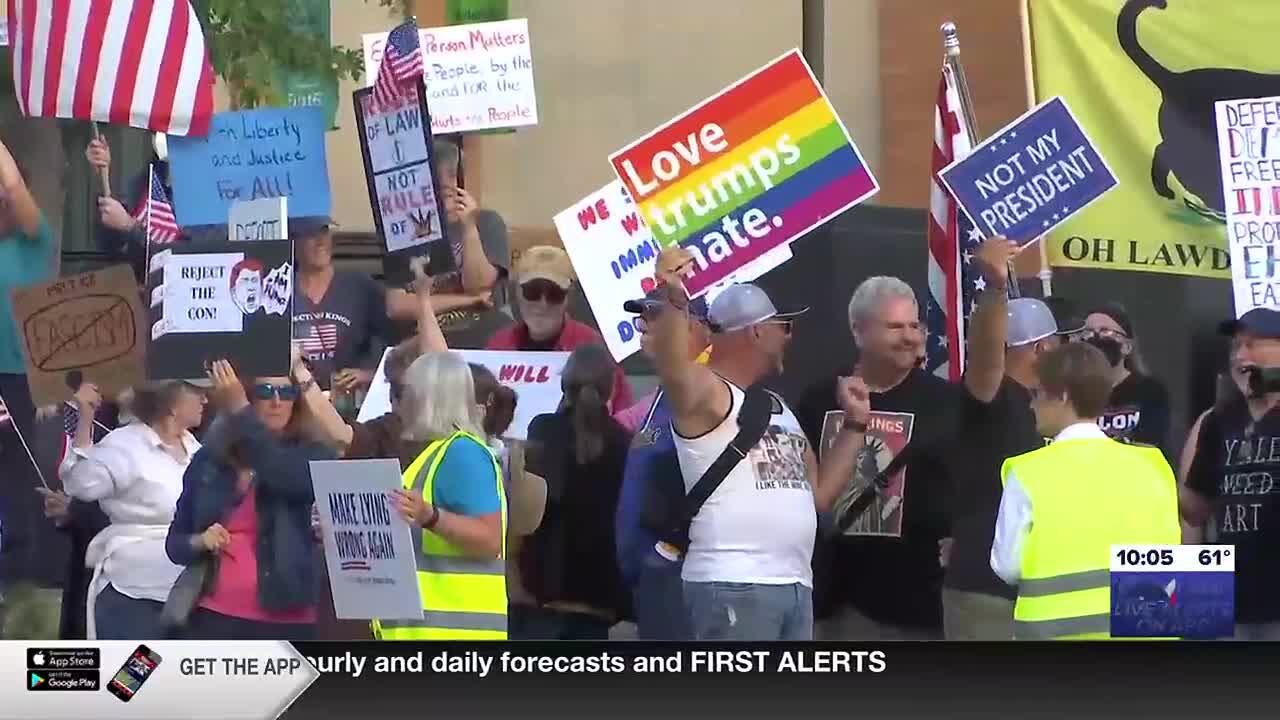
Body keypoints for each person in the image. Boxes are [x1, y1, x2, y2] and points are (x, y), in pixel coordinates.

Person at [647, 247, 854, 641]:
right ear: (757, 331)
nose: (790, 337)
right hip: (732, 585)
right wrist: (673, 296)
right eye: (784, 326)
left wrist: (855, 427)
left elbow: (819, 497)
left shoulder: (778, 408)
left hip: (794, 585)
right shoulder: (708, 393)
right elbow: (673, 369)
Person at [798, 276, 959, 641]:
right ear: (859, 330)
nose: (909, 336)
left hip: (918, 605)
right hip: (832, 599)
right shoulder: (820, 398)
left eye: (914, 325)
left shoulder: (945, 402)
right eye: (894, 326)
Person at [990, 342, 1180, 640]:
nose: (1031, 405)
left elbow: (1006, 567)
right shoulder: (1154, 465)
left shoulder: (1028, 472)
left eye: (1037, 393)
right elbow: (1178, 560)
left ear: (1063, 395)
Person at [943, 237, 1061, 641]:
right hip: (985, 590)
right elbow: (986, 357)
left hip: (1041, 590)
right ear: (1043, 347)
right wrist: (994, 288)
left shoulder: (1055, 409)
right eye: (1060, 342)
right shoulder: (993, 396)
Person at [166, 361, 336, 640]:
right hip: (216, 616)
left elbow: (283, 475)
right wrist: (200, 541)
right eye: (266, 392)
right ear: (249, 395)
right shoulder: (209, 461)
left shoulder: (315, 454)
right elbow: (175, 544)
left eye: (288, 393)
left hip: (290, 620)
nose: (277, 402)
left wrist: (242, 412)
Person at [372, 352, 507, 640]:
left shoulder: (463, 454)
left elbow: (489, 539)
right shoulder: (435, 455)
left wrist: (430, 516)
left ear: (426, 397)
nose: (398, 402)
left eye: (404, 391)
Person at [60, 381, 206, 639]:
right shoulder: (126, 445)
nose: (205, 399)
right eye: (197, 392)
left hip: (190, 595)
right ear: (172, 403)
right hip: (136, 596)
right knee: (132, 679)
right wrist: (85, 422)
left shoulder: (196, 448)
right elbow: (81, 484)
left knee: (182, 677)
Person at [514, 345, 632, 639]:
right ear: (611, 388)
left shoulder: (543, 430)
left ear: (564, 383)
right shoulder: (624, 441)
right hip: (600, 593)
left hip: (543, 588)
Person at [614, 288, 712, 640]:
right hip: (651, 582)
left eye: (656, 317)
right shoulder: (661, 396)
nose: (643, 326)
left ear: (694, 327)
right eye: (643, 317)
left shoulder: (707, 393)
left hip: (681, 581)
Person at [1181, 308, 1280, 640]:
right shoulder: (1219, 420)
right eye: (1236, 346)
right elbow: (1194, 510)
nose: (1240, 355)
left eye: (1253, 344)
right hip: (1228, 598)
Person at [0, 135, 58, 639]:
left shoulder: (34, 241)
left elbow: (15, 184)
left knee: (17, 484)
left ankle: (14, 590)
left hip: (16, 379)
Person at [386, 140, 511, 348]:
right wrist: (469, 301)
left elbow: (479, 284)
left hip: (479, 335)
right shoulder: (402, 230)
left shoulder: (487, 222)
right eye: (436, 176)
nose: (446, 184)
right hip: (422, 339)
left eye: (452, 175)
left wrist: (469, 227)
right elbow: (396, 306)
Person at [486, 245, 634, 414]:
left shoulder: (593, 347)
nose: (542, 304)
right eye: (532, 292)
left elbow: (622, 417)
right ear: (518, 294)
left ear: (568, 297)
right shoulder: (499, 345)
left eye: (554, 294)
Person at [291, 216, 395, 396]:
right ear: (293, 242)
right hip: (296, 399)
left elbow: (393, 344)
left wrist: (370, 375)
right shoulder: (279, 290)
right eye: (310, 234)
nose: (321, 241)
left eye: (324, 231)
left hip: (349, 400)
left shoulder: (359, 285)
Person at [1080, 302, 1170, 450]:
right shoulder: (1072, 392)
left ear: (1127, 346)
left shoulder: (1150, 391)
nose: (1096, 337)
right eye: (1088, 331)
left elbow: (1148, 445)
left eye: (1106, 331)